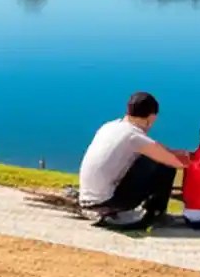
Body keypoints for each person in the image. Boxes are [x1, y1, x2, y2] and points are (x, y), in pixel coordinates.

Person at [78, 92, 189, 228]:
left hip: (87, 200)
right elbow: (176, 162)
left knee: (152, 159)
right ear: (152, 117)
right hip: (107, 203)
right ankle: (156, 214)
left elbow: (155, 147)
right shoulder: (133, 136)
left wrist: (174, 152)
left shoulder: (110, 126)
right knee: (165, 166)